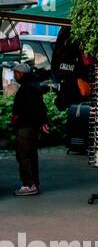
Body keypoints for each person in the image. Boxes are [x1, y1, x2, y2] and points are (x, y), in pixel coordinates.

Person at [11, 63, 49, 195]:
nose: (14, 76)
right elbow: (41, 106)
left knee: (24, 156)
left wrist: (16, 117)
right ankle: (34, 183)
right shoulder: (34, 86)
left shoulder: (26, 88)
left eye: (15, 73)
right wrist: (43, 122)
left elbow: (25, 108)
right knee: (31, 155)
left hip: (25, 126)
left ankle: (29, 184)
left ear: (21, 73)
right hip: (31, 126)